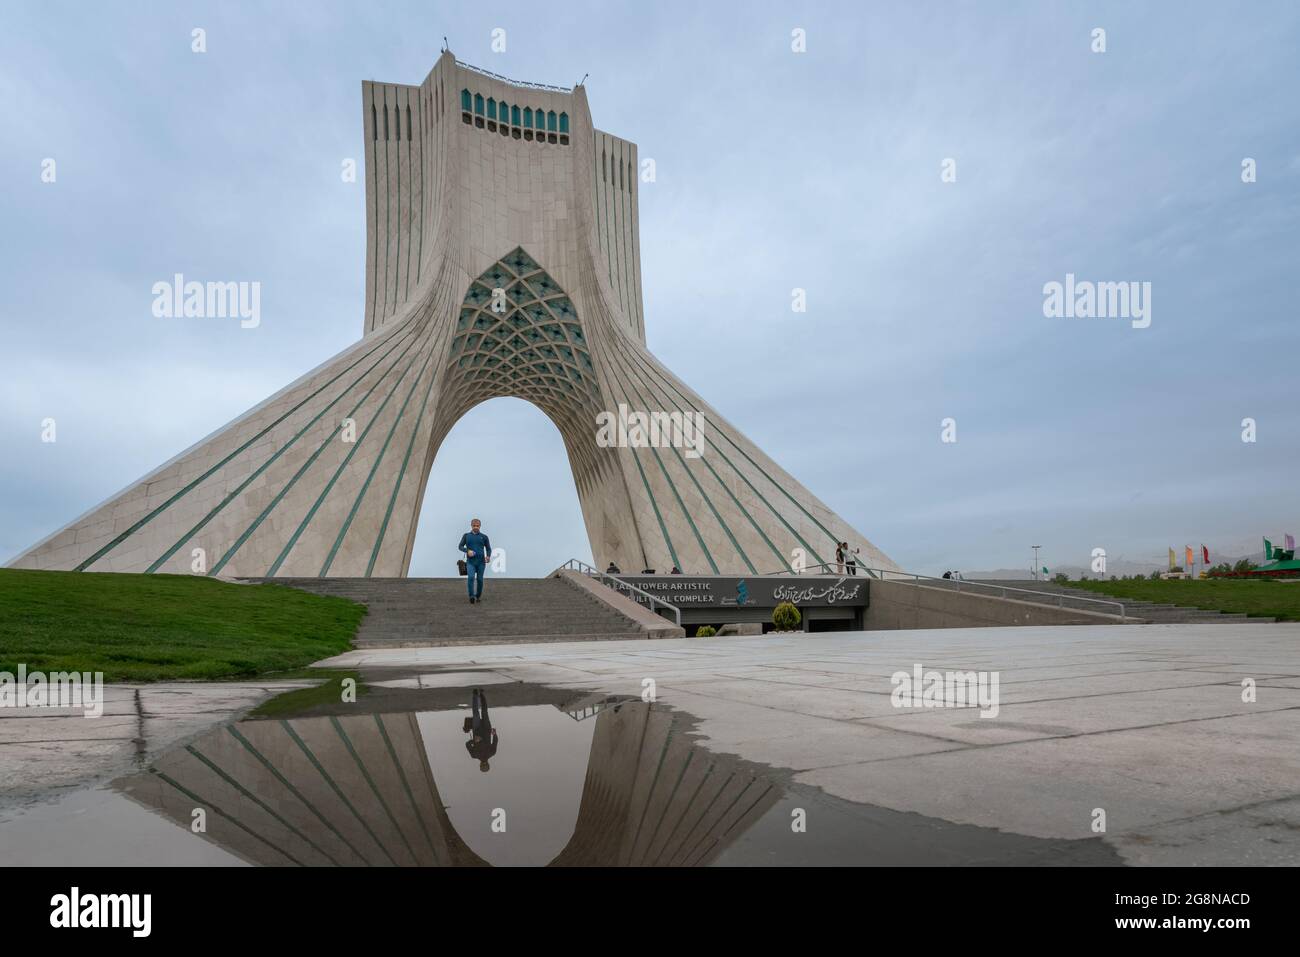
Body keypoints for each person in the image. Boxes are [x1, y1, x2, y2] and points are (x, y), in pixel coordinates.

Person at [463, 688, 498, 772]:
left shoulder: (487, 753)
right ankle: (477, 694)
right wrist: (474, 740)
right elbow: (467, 744)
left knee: (483, 711)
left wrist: (494, 734)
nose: (484, 764)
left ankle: (480, 694)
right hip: (481, 729)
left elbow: (495, 741)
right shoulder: (475, 755)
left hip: (483, 729)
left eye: (483, 765)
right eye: (484, 765)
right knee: (477, 712)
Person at [458, 518, 492, 604]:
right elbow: (460, 546)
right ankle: (471, 596)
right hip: (470, 562)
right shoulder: (466, 536)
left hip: (481, 562)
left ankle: (478, 596)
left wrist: (488, 556)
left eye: (477, 526)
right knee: (471, 577)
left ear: (480, 526)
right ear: (471, 526)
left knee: (480, 580)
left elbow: (488, 549)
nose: (476, 527)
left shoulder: (484, 537)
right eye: (474, 526)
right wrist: (467, 551)